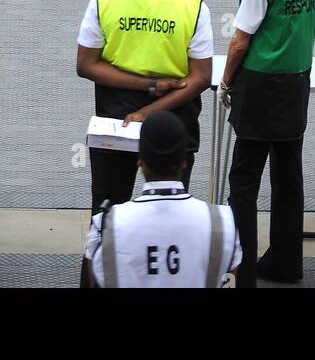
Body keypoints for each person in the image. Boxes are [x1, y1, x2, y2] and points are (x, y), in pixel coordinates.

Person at [77, 0, 213, 218]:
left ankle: (98, 266)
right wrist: (151, 106)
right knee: (171, 218)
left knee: (106, 218)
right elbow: (202, 77)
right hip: (174, 128)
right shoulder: (194, 5)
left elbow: (86, 65)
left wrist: (144, 93)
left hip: (115, 125)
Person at [221, 0, 315, 288]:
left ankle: (242, 271)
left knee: (244, 183)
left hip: (259, 91)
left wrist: (225, 81)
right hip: (296, 88)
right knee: (288, 177)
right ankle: (286, 262)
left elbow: (239, 40)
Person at [84, 112, 241, 288]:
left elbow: (95, 282)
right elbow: (230, 280)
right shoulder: (224, 223)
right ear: (183, 161)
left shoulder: (104, 226)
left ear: (140, 161)